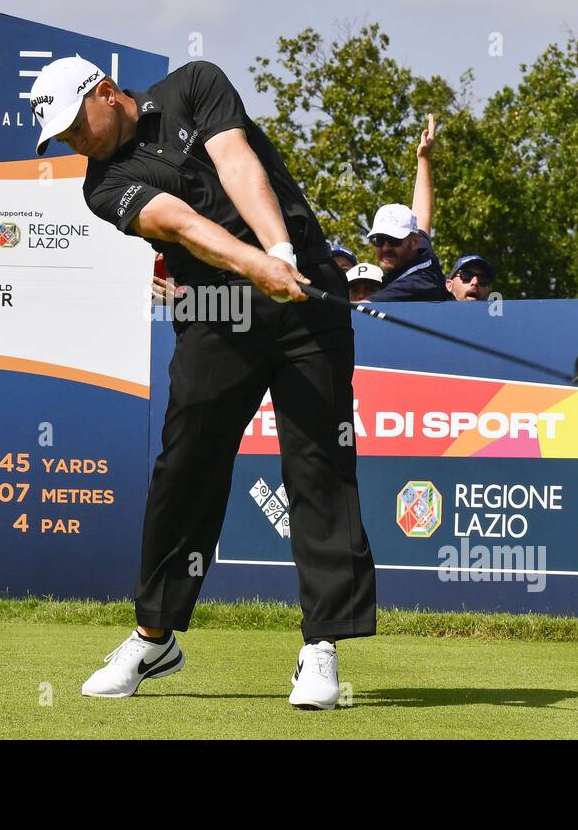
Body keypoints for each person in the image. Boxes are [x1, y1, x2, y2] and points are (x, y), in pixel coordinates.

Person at [30, 56, 376, 710]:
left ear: (106, 92)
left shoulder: (194, 84)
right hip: (218, 313)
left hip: (307, 295)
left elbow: (238, 162)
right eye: (62, 137)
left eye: (76, 124)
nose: (74, 142)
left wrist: (277, 254)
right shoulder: (102, 186)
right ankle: (154, 637)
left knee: (319, 465)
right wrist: (254, 267)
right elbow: (184, 227)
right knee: (187, 463)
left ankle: (322, 647)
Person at [365, 115, 449, 302]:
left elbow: (357, 309)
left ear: (413, 242)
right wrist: (424, 158)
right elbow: (422, 212)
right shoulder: (421, 251)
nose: (386, 247)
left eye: (395, 240)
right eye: (379, 240)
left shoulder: (418, 282)